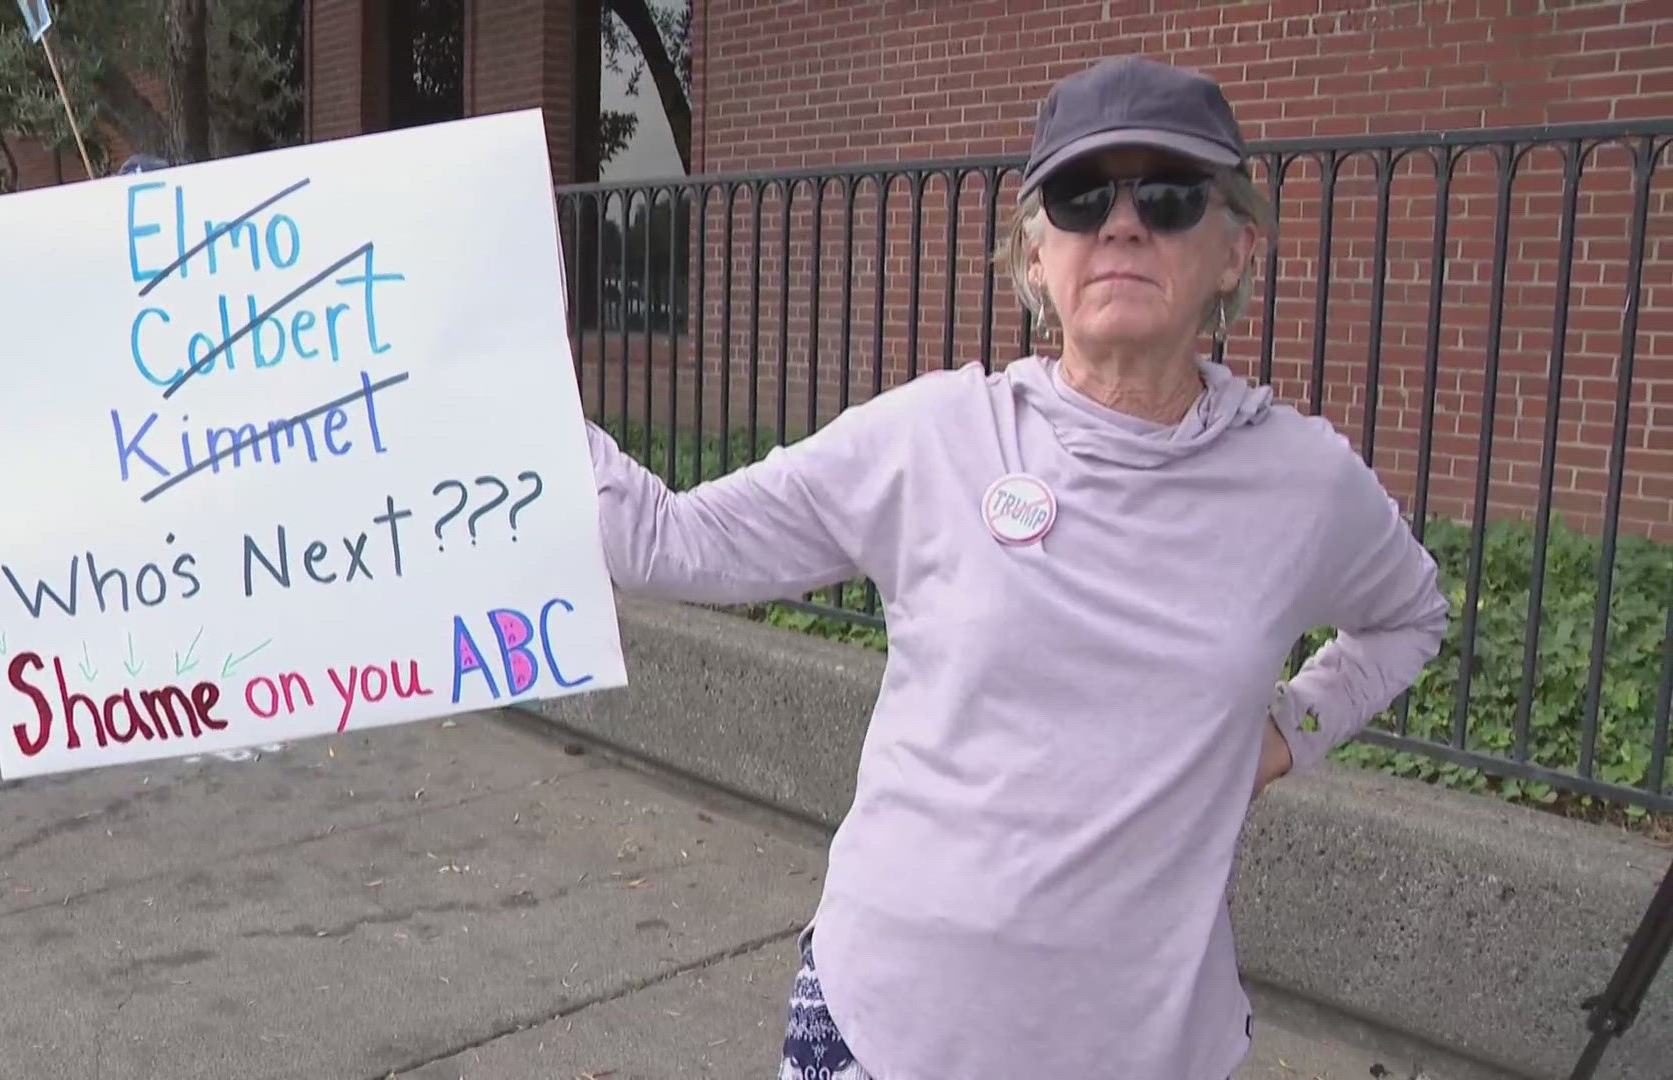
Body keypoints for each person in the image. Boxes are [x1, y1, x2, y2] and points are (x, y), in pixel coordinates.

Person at [581, 57, 1448, 1080]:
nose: (1122, 225)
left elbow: (1408, 619)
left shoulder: (1304, 483)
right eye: (1082, 198)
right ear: (1037, 260)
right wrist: (490, 381)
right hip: (884, 1026)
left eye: (1168, 194)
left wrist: (1283, 737)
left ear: (1235, 247)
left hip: (1147, 1044)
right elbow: (674, 541)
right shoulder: (935, 436)